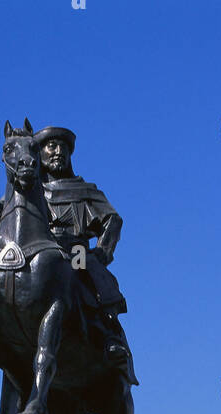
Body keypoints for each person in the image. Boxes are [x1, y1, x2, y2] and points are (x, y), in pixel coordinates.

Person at [32, 125, 138, 384]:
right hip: (40, 251)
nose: (58, 152)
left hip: (75, 247)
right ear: (40, 154)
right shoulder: (32, 191)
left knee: (88, 268)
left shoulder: (85, 190)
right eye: (51, 147)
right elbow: (9, 208)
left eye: (63, 148)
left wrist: (102, 251)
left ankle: (111, 334)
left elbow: (112, 219)